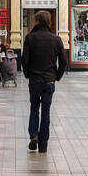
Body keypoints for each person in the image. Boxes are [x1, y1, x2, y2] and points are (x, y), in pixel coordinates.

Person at [21, 11, 67, 154]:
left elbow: (24, 59)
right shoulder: (56, 39)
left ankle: (34, 134)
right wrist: (56, 76)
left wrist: (27, 74)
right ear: (49, 22)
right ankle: (43, 144)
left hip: (35, 80)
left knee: (34, 107)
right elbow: (64, 62)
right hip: (49, 80)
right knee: (46, 111)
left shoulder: (30, 38)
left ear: (36, 21)